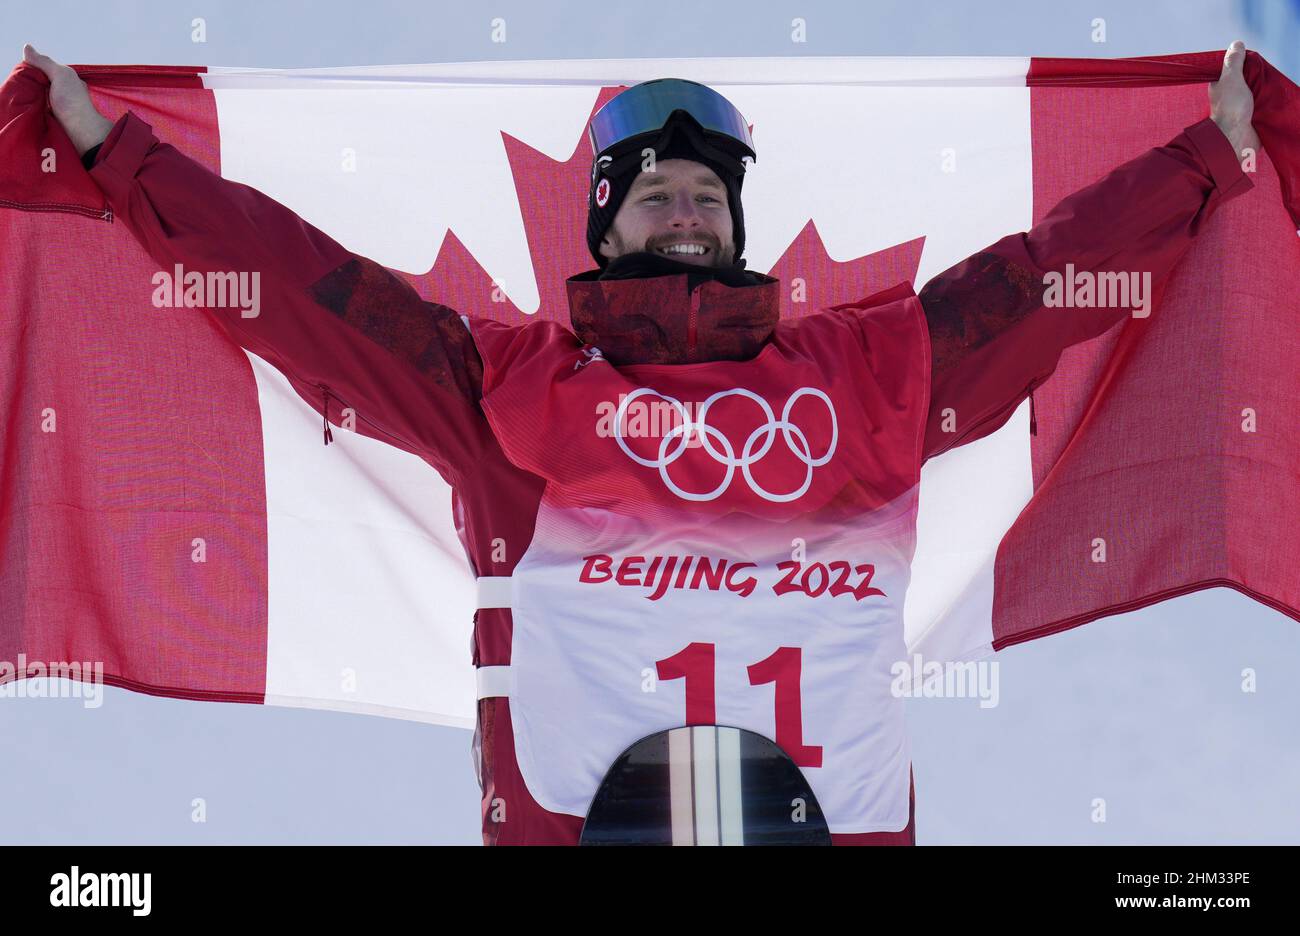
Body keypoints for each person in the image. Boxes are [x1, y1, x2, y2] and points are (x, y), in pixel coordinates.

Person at [20, 42, 1260, 845]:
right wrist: (121, 158)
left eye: (709, 198)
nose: (687, 214)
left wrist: (1204, 159)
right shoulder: (507, 390)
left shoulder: (867, 374)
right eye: (657, 194)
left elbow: (1042, 286)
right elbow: (310, 294)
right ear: (606, 228)